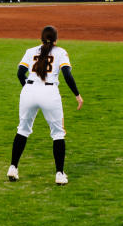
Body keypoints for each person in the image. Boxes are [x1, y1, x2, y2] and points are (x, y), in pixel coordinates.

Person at [7, 25, 83, 186]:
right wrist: (77, 95)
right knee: (58, 134)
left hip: (28, 90)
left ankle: (13, 168)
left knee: (22, 129)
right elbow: (67, 74)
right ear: (56, 39)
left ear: (41, 38)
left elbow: (20, 73)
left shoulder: (30, 51)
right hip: (49, 91)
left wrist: (29, 89)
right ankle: (59, 174)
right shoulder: (60, 52)